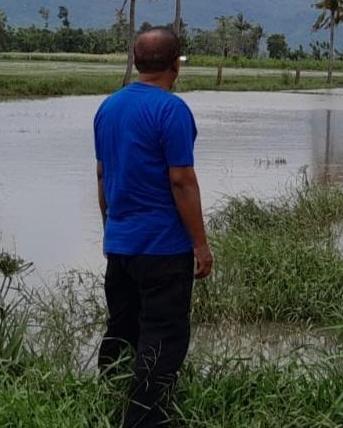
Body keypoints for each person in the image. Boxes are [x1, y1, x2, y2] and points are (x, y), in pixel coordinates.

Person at [93, 27, 214, 427]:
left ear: (136, 60)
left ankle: (108, 398)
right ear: (176, 64)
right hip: (163, 249)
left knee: (123, 328)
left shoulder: (108, 107)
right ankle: (143, 419)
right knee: (164, 335)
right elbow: (182, 181)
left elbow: (101, 176)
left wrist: (110, 229)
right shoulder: (171, 110)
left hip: (121, 246)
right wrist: (200, 245)